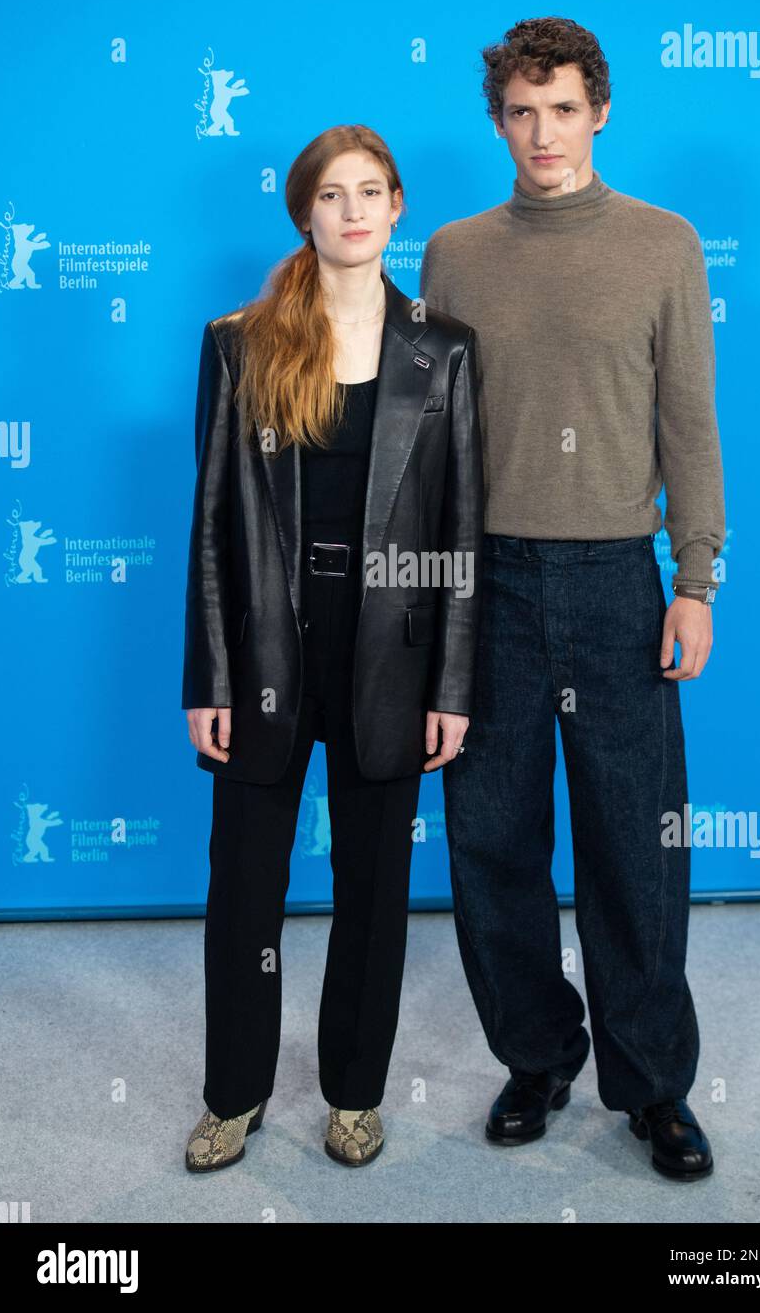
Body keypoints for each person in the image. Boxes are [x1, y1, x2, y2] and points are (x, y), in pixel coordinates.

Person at [420, 16, 725, 1182]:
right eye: (519, 111)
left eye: (562, 108)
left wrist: (690, 579)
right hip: (486, 581)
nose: (541, 133)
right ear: (496, 121)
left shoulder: (662, 244)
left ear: (599, 111)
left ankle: (650, 1084)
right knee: (489, 836)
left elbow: (687, 426)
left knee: (631, 848)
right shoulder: (451, 251)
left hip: (612, 579)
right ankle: (535, 1056)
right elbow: (435, 441)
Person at [181, 124, 483, 1171]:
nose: (351, 211)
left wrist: (449, 682)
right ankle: (234, 1092)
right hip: (266, 654)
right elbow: (211, 522)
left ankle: (354, 1093)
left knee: (373, 891)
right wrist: (210, 675)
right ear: (303, 213)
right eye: (330, 194)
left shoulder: (443, 348)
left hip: (389, 660)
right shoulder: (238, 341)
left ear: (397, 206)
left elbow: (457, 530)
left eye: (371, 192)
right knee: (244, 888)